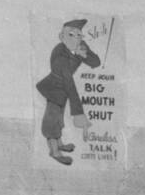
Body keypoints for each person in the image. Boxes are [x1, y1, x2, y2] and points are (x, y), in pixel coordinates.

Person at [35, 18, 101, 165]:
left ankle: (60, 144)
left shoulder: (81, 46)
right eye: (71, 35)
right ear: (62, 37)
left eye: (79, 35)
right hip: (54, 87)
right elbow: (69, 84)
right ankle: (54, 151)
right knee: (52, 119)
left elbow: (96, 63)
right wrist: (79, 113)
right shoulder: (59, 54)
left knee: (59, 117)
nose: (76, 38)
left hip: (64, 88)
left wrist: (85, 55)